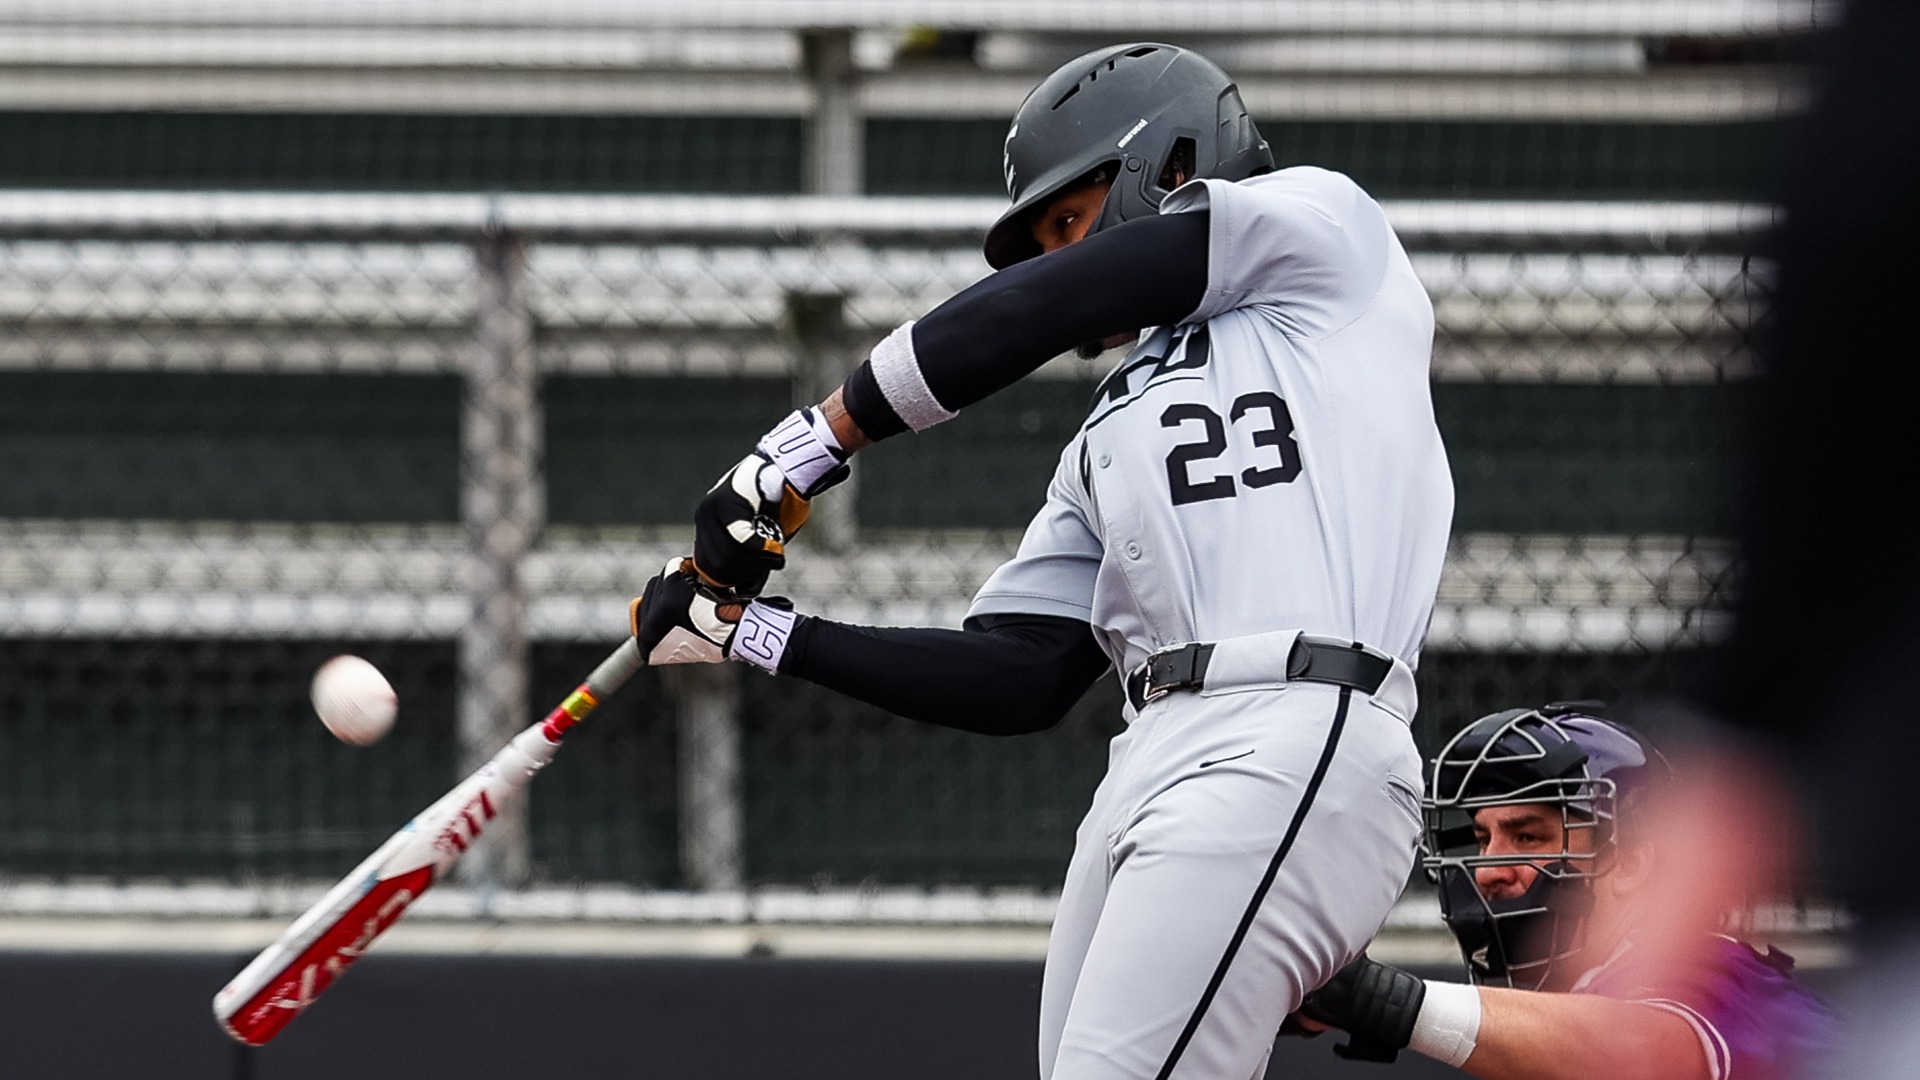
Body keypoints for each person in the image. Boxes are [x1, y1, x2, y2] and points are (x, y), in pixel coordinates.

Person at [632, 42, 1454, 1080]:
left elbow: (1042, 307)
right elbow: (1017, 674)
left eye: (1070, 220)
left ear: (1173, 158)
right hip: (1151, 754)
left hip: (1295, 722)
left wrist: (807, 444)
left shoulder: (1321, 230)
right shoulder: (1109, 432)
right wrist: (749, 631)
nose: (1060, 258)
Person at [1289, 704, 1834, 1080]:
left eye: (1527, 836)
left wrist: (1385, 1003)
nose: (1487, 869)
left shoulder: (1717, 970)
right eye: (1482, 839)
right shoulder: (1570, 1012)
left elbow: (1636, 1056)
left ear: (1630, 863)